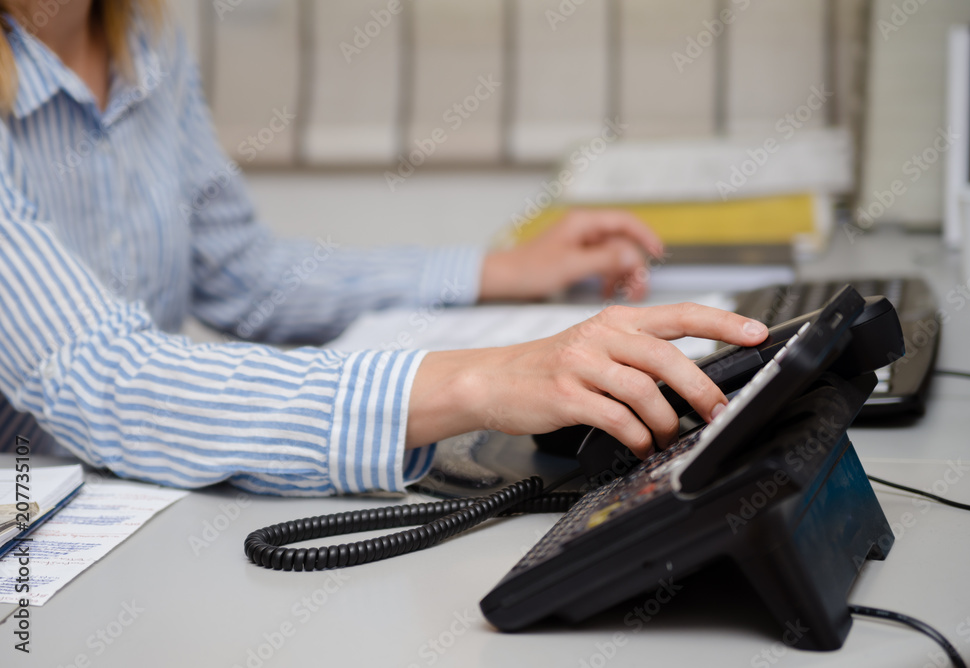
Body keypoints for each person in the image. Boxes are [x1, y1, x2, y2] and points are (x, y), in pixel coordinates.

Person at [0, 0, 767, 495]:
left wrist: (500, 272)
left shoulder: (144, 47)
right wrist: (477, 382)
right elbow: (97, 375)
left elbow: (249, 278)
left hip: (128, 497)